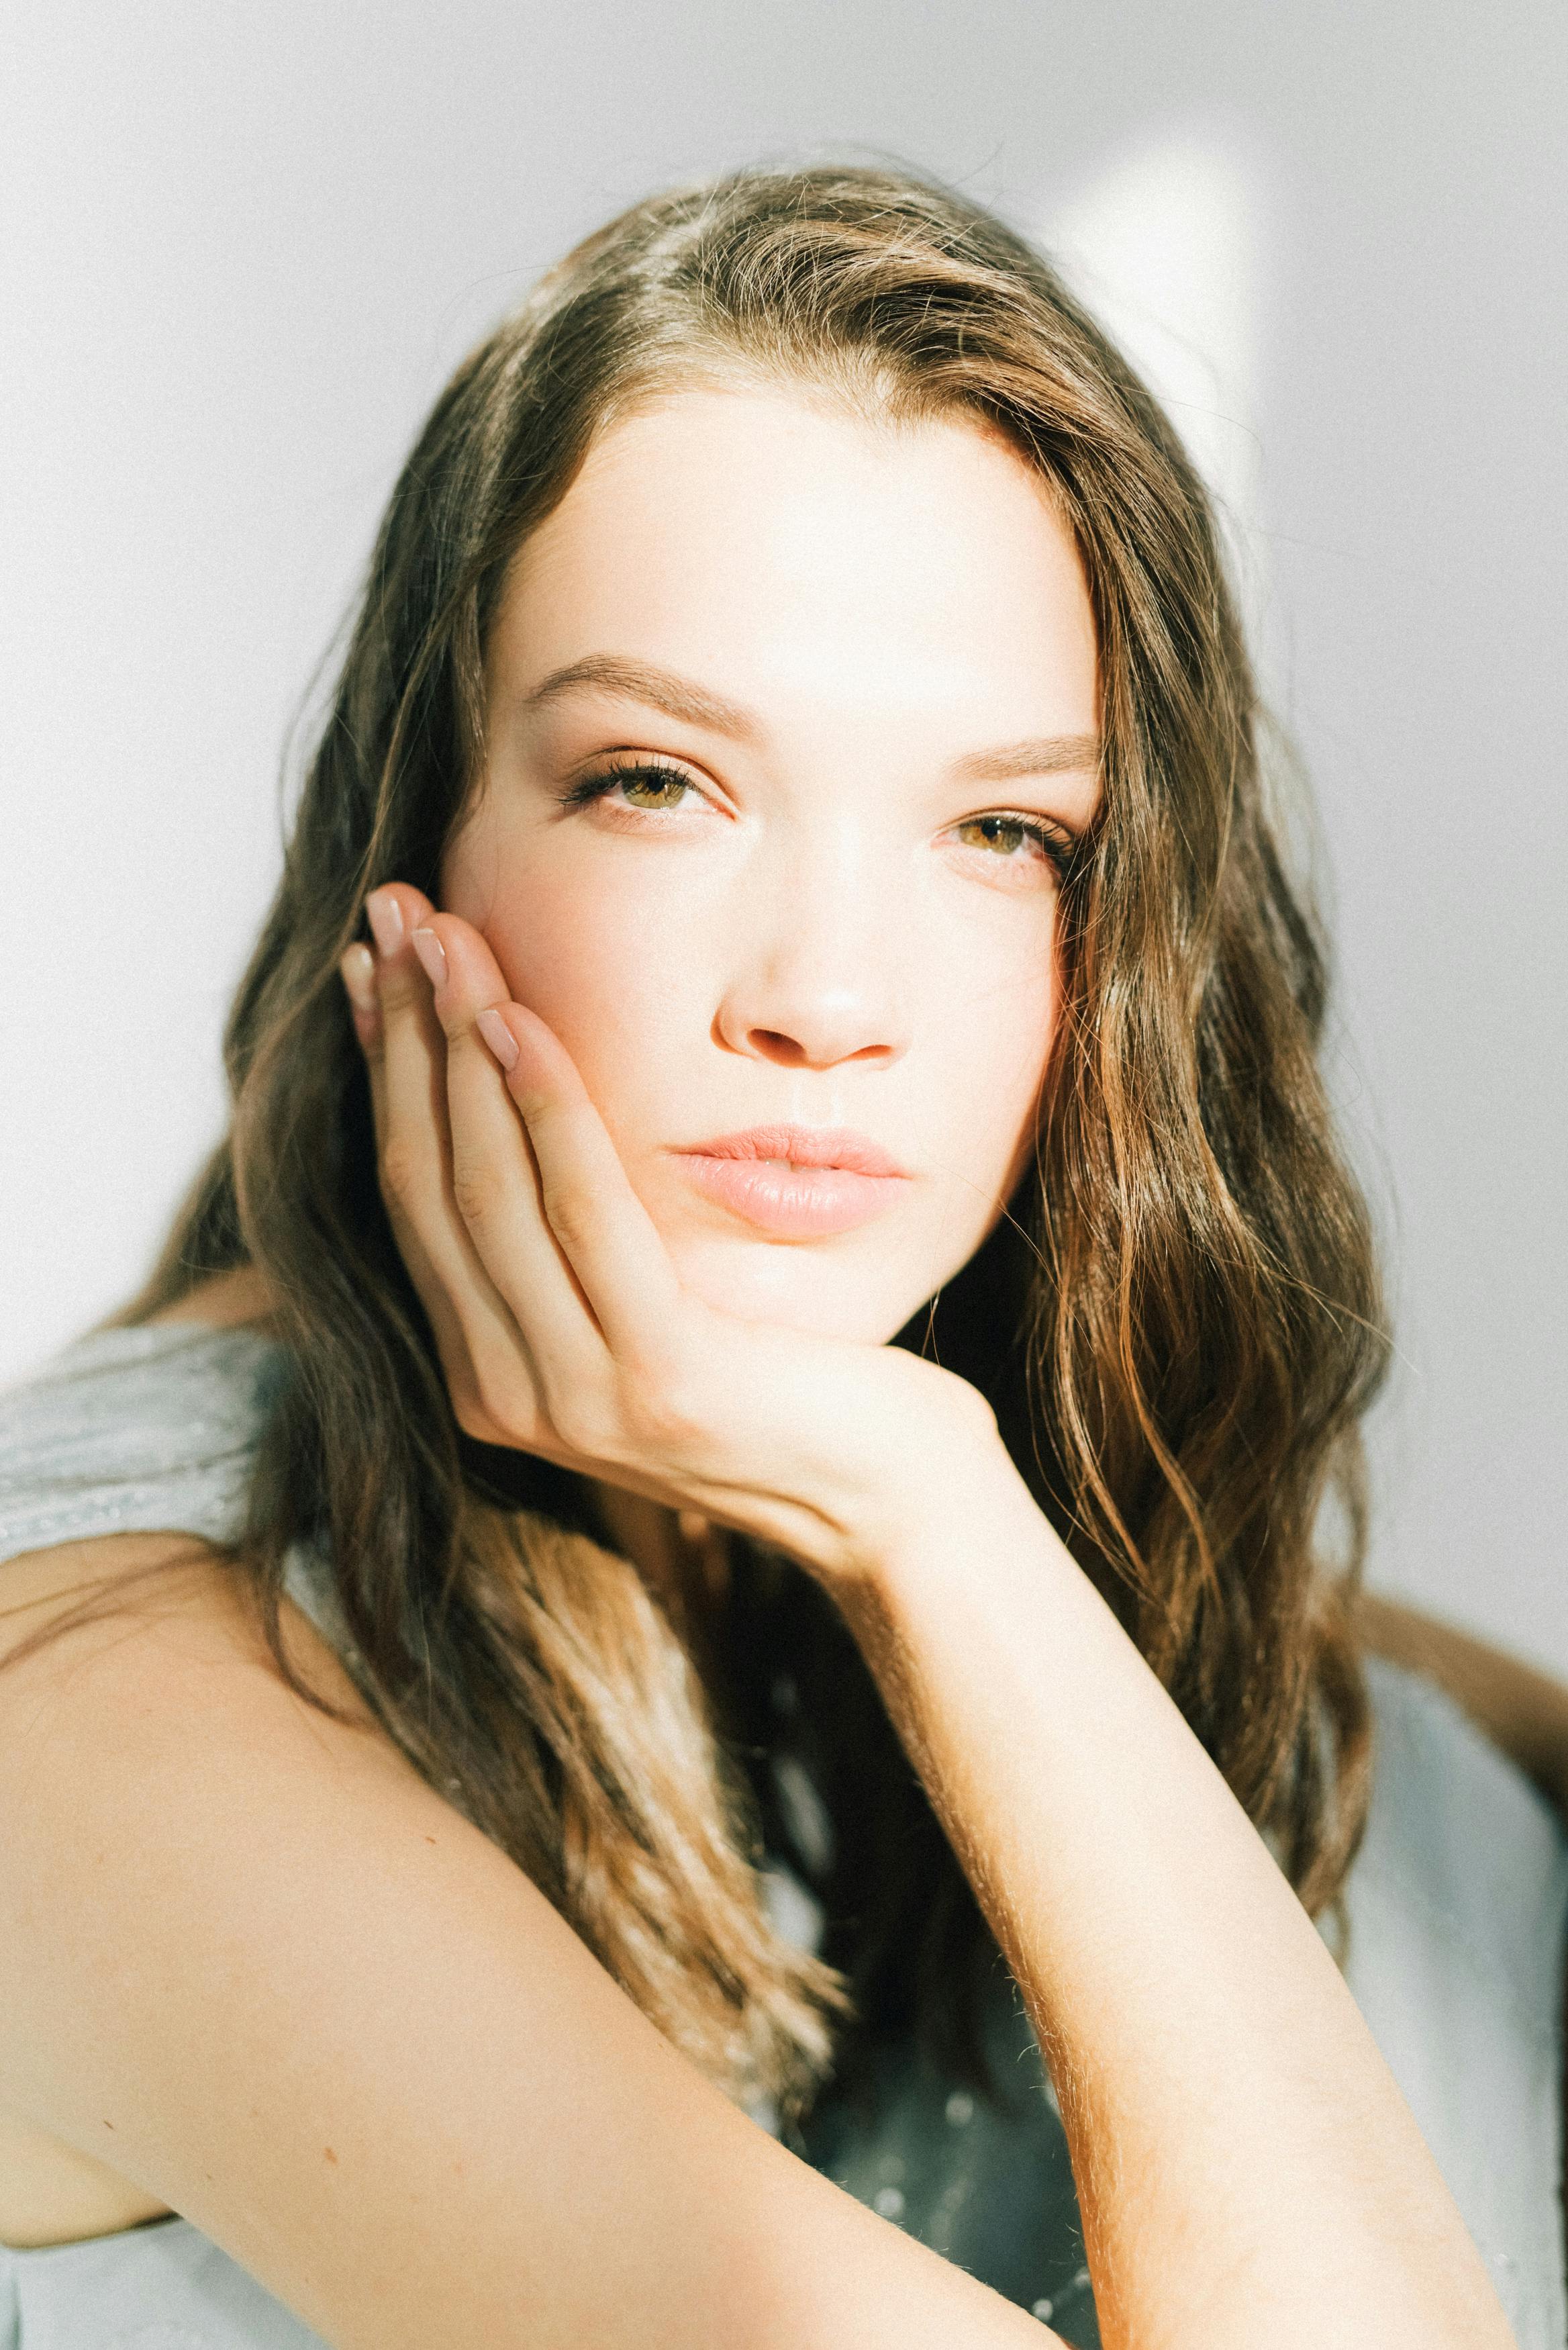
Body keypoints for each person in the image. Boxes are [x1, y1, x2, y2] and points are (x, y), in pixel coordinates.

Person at [0, 162, 1561, 2350]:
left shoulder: (804, 1525)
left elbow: (1391, 1697)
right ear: (416, 843)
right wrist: (916, 1501)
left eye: (1004, 830)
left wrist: (927, 1508)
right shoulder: (91, 1720)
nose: (832, 995)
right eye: (657, 779)